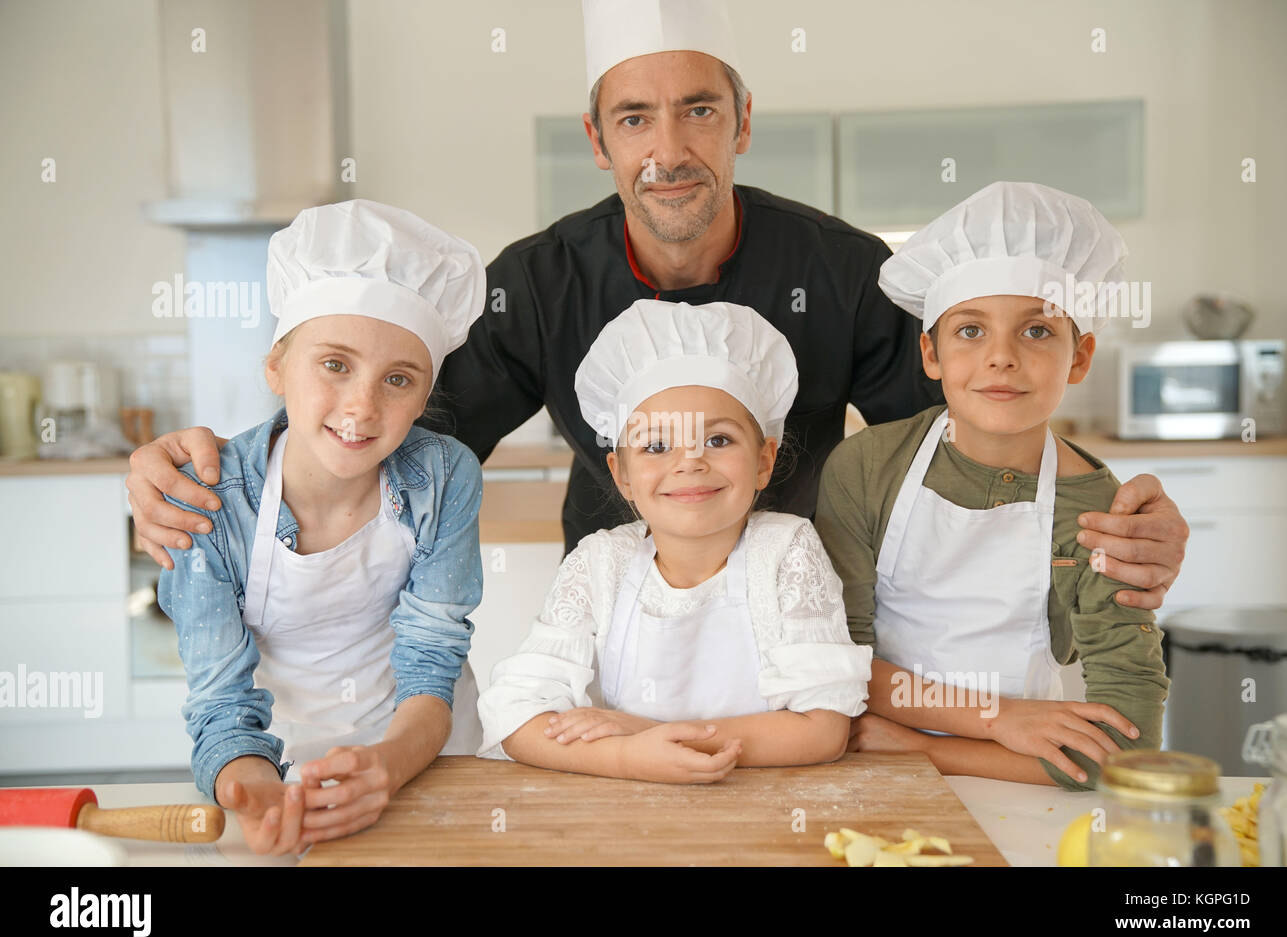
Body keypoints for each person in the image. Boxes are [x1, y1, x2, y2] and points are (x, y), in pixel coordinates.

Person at [126, 0, 1187, 624]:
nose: (668, 149)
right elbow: (396, 427)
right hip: (613, 601)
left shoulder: (841, 266)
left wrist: (1111, 512)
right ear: (598, 140)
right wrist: (229, 474)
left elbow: (975, 426)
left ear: (741, 123)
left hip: (804, 599)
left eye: (697, 111)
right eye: (635, 117)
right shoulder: (537, 283)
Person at [814, 182, 1170, 791]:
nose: (1001, 357)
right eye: (971, 331)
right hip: (869, 782)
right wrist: (1001, 719)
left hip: (1010, 791)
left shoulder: (1099, 510)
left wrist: (920, 747)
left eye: (1037, 331)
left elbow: (1123, 746)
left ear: (1079, 357)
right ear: (930, 354)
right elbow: (836, 668)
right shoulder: (868, 466)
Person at [156, 200, 487, 853]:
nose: (363, 406)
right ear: (276, 366)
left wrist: (385, 768)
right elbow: (221, 698)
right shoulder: (210, 500)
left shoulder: (445, 476)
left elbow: (431, 659)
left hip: (424, 757)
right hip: (281, 773)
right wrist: (255, 787)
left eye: (399, 379)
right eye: (335, 364)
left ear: (424, 398)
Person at [477, 299, 874, 782]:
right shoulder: (601, 563)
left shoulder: (787, 551)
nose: (689, 463)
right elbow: (515, 716)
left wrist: (649, 733)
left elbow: (823, 729)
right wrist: (628, 757)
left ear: (765, 461)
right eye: (657, 445)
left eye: (719, 440)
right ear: (621, 474)